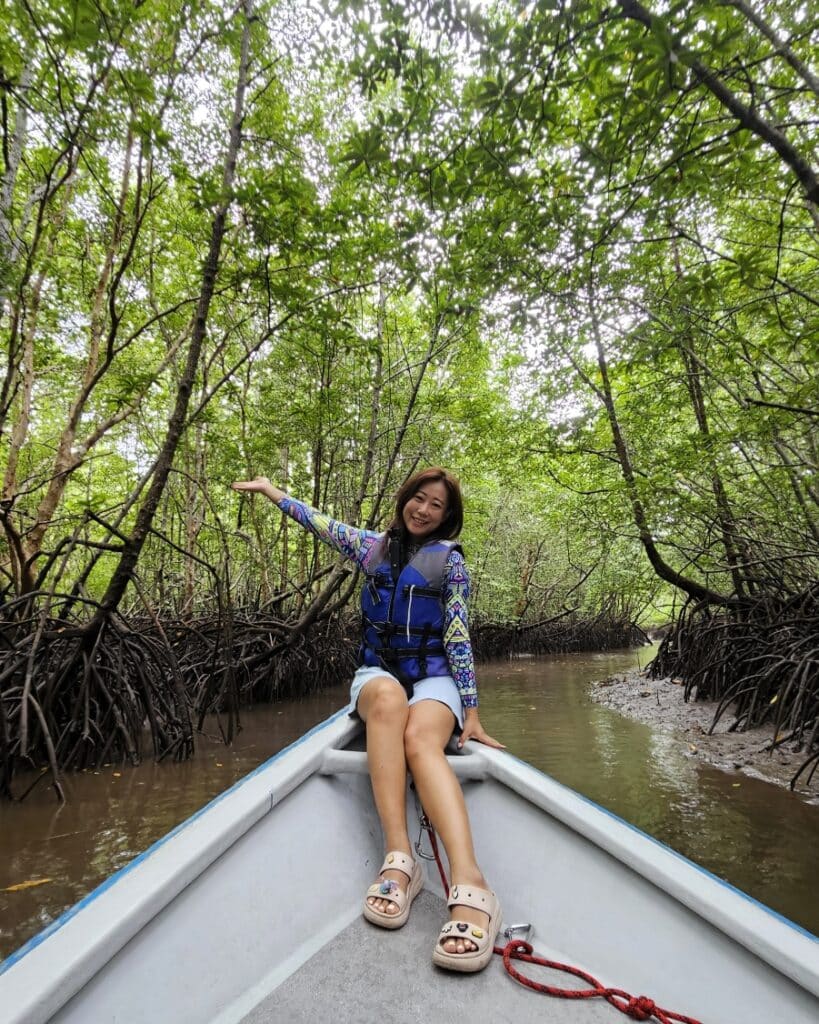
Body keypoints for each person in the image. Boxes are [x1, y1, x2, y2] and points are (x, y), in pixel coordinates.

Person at [231, 467, 504, 972]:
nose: (422, 509)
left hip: (434, 677)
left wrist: (471, 709)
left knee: (422, 740)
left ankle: (470, 880)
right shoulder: (369, 547)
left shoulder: (451, 564)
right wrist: (273, 492)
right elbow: (316, 521)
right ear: (405, 500)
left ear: (448, 516)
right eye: (417, 498)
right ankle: (401, 862)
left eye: (435, 505)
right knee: (384, 701)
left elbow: (459, 634)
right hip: (380, 674)